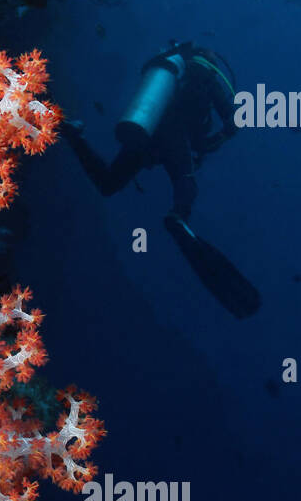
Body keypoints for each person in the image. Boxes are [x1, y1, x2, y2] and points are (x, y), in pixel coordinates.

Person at [65, 41, 261, 318]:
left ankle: (74, 136)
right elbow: (233, 120)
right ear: (210, 60)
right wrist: (220, 136)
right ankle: (177, 217)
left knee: (108, 183)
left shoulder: (171, 74)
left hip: (147, 131)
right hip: (173, 134)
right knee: (186, 183)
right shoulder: (207, 76)